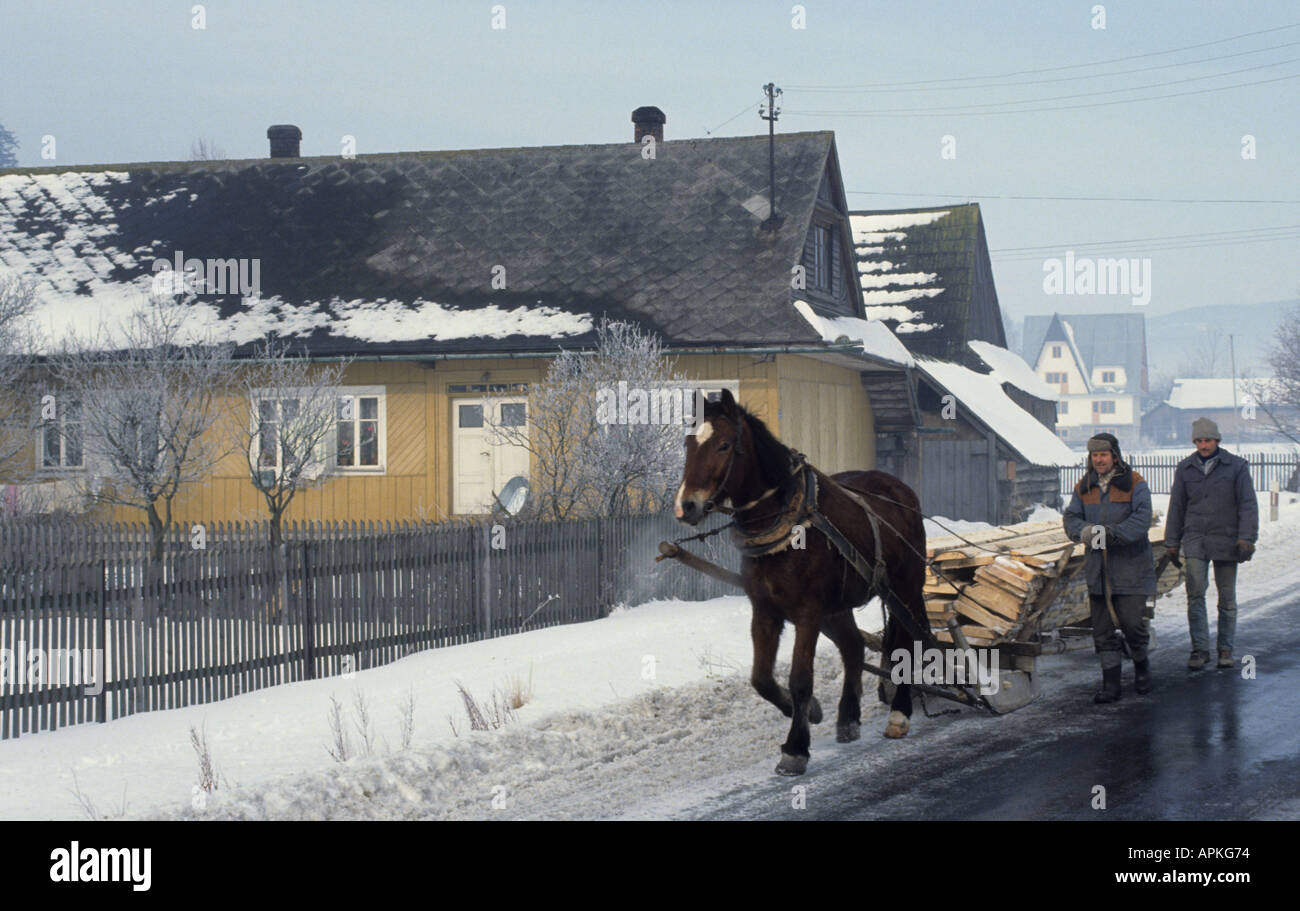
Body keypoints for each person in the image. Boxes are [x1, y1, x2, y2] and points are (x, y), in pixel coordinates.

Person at [1063, 432, 1157, 703]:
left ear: (1114, 456)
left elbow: (1141, 520)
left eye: (1103, 455)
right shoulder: (1084, 486)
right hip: (1098, 570)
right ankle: (1111, 684)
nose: (1099, 460)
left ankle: (1142, 669)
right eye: (1095, 455)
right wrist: (1085, 531)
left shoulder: (1135, 484)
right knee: (1102, 630)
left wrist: (1112, 534)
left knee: (1131, 624)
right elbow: (1071, 517)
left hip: (1130, 568)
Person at [1162, 417, 1258, 670]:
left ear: (1217, 440)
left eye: (1208, 440)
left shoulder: (1236, 467)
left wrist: (1246, 538)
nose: (1204, 445)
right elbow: (1177, 507)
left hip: (1228, 540)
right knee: (1195, 595)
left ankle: (1225, 648)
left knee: (1227, 598)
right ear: (1195, 442)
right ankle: (1199, 650)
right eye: (1200, 441)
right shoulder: (1185, 469)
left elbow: (1248, 505)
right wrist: (1172, 542)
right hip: (1196, 540)